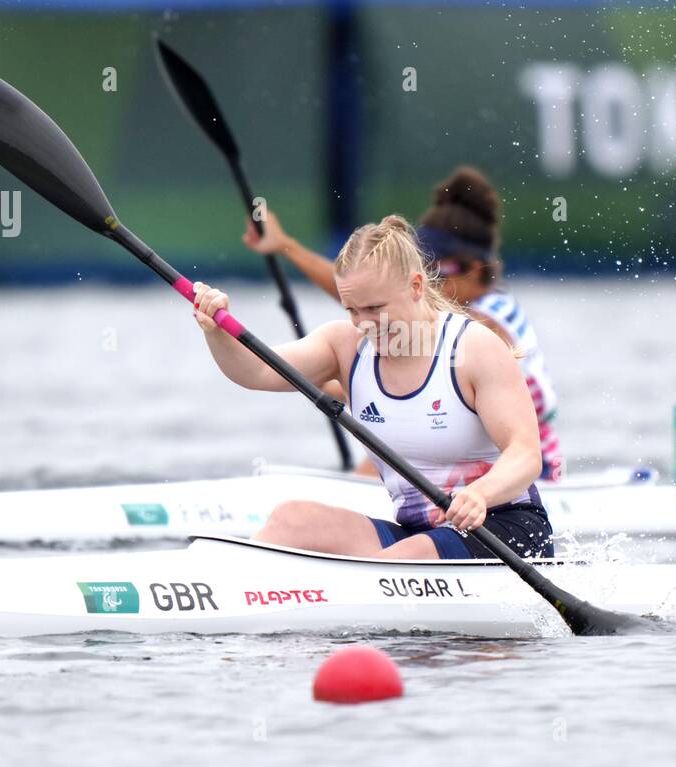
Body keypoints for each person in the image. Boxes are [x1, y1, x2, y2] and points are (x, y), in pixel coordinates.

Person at [192, 215, 553, 560]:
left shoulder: (474, 348)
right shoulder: (344, 345)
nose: (364, 324)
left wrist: (478, 494)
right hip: (417, 535)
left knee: (403, 556)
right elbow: (256, 371)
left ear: (415, 286)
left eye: (375, 308)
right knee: (291, 519)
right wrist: (216, 332)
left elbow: (525, 454)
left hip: (504, 529)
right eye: (352, 309)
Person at [242, 167, 564, 480]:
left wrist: (334, 379)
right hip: (462, 452)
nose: (427, 279)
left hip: (528, 468)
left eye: (437, 268)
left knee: (376, 466)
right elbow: (370, 298)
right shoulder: (436, 319)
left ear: (475, 269)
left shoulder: (486, 324)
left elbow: (381, 307)